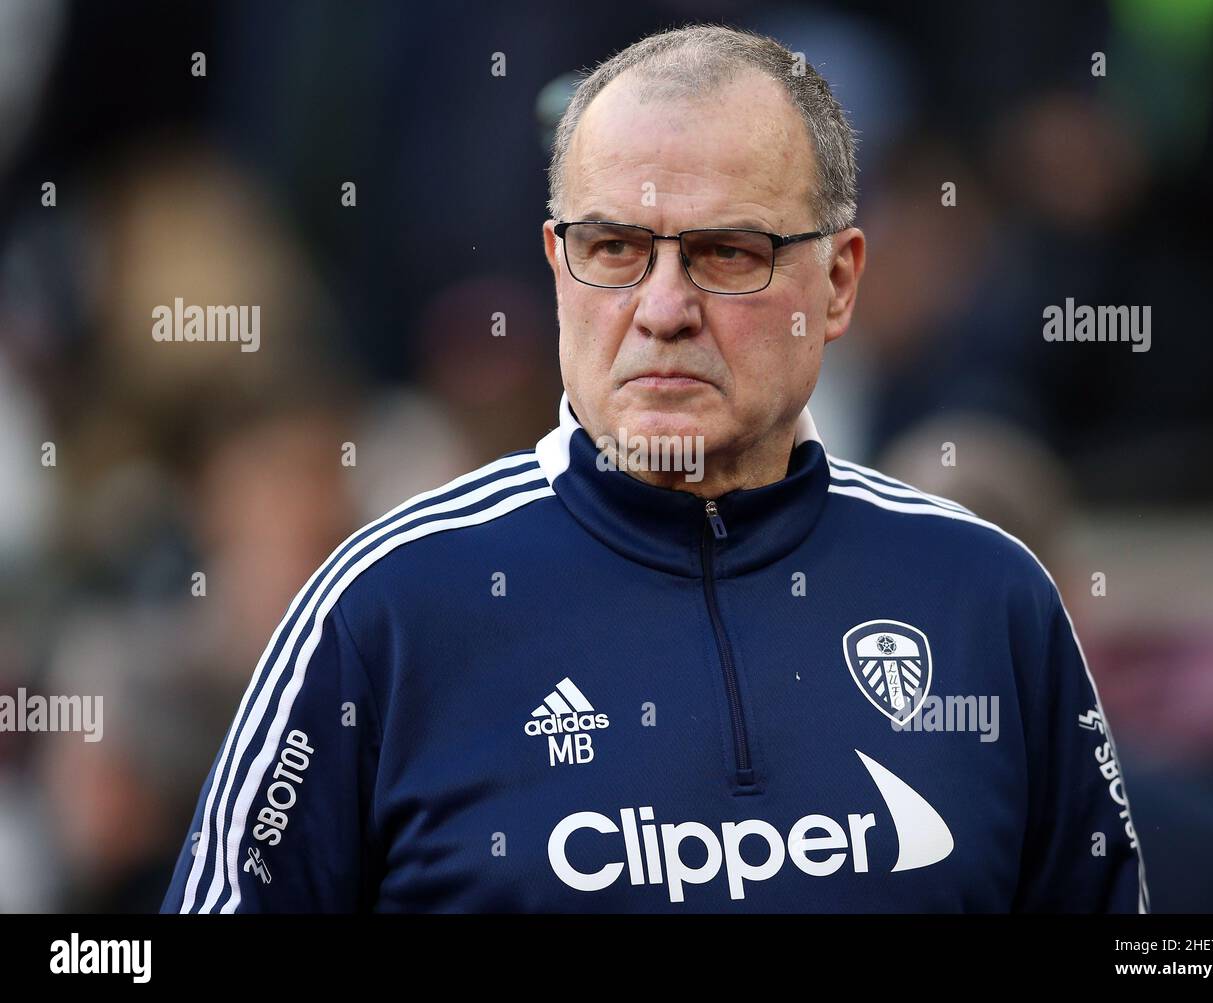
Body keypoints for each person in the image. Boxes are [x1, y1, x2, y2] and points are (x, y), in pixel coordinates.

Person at [161, 24, 1148, 913]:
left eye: (726, 253)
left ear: (839, 280)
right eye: (614, 248)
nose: (662, 307)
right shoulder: (381, 613)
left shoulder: (987, 597)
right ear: (555, 267)